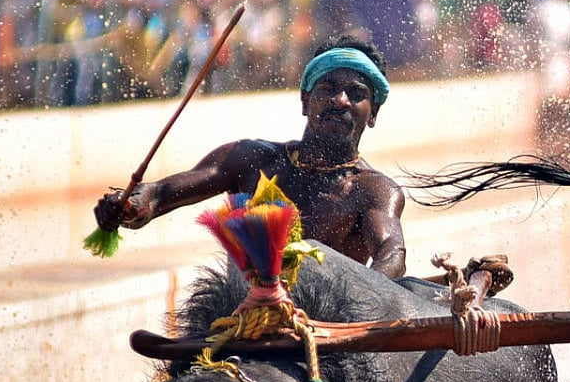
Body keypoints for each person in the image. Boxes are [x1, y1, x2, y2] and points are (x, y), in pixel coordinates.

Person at [94, 35, 407, 279]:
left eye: (356, 94)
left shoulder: (375, 190)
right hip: (241, 320)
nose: (340, 100)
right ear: (305, 100)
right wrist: (128, 204)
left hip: (327, 333)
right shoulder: (253, 160)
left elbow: (392, 256)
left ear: (373, 113)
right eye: (328, 89)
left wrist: (364, 303)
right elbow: (158, 194)